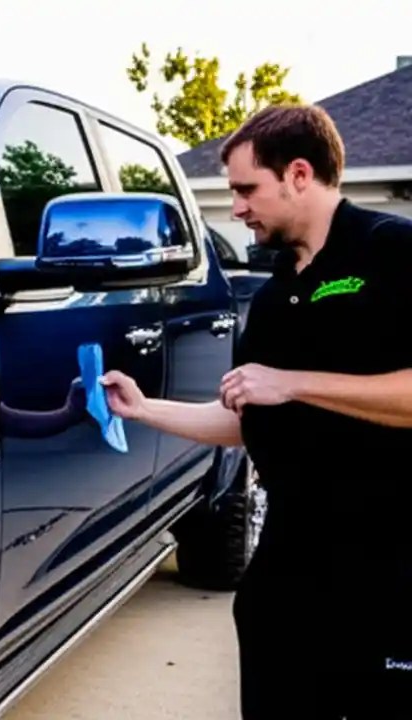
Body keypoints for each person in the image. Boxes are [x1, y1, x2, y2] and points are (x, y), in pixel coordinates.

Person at [100, 104, 412, 719]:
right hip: (288, 570)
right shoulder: (271, 299)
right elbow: (251, 419)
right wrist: (144, 410)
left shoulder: (391, 251)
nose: (237, 208)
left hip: (389, 570)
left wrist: (293, 383)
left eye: (246, 189)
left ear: (299, 173)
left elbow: (287, 389)